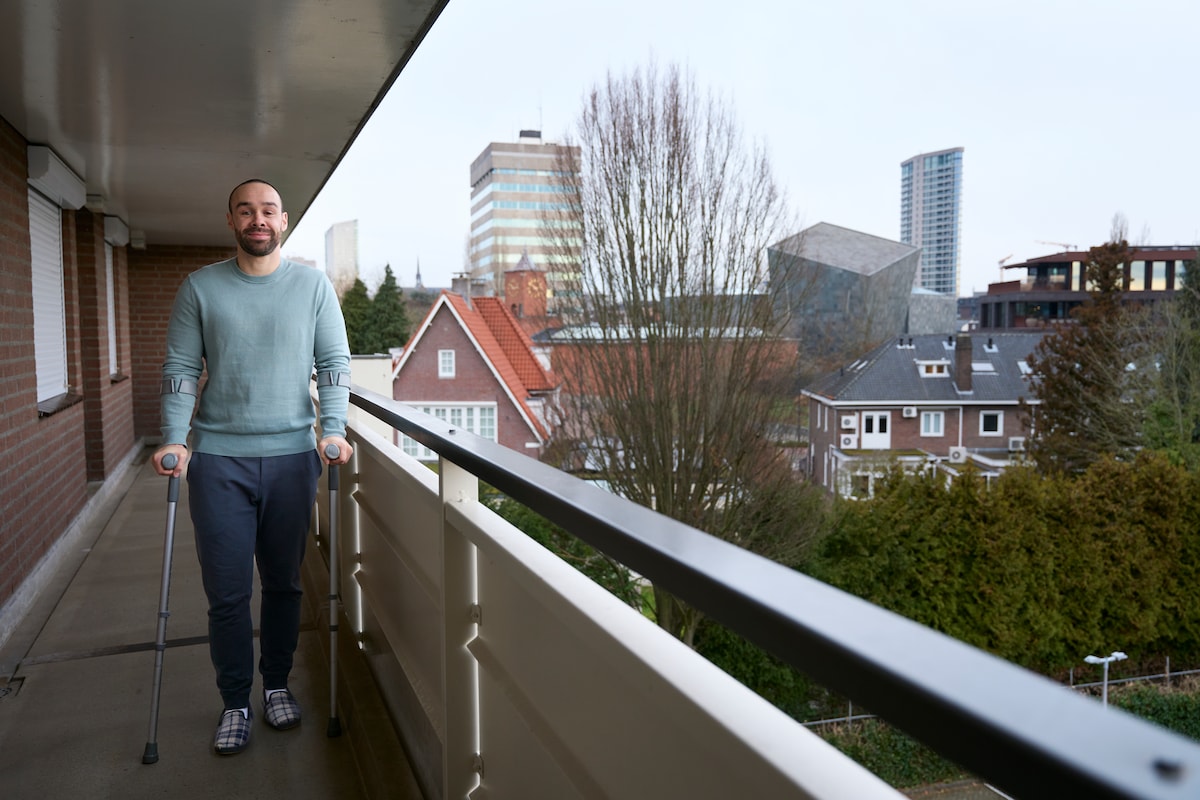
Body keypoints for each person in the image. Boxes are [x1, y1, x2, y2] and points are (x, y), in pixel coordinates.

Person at [154, 178, 353, 755]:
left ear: (283, 221)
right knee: (227, 592)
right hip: (219, 462)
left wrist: (333, 429)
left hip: (292, 458)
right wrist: (173, 439)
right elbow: (180, 368)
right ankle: (236, 701)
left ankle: (277, 685)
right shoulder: (201, 287)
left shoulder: (313, 287)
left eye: (268, 211)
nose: (257, 220)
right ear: (232, 221)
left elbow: (333, 362)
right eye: (246, 211)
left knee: (285, 584)